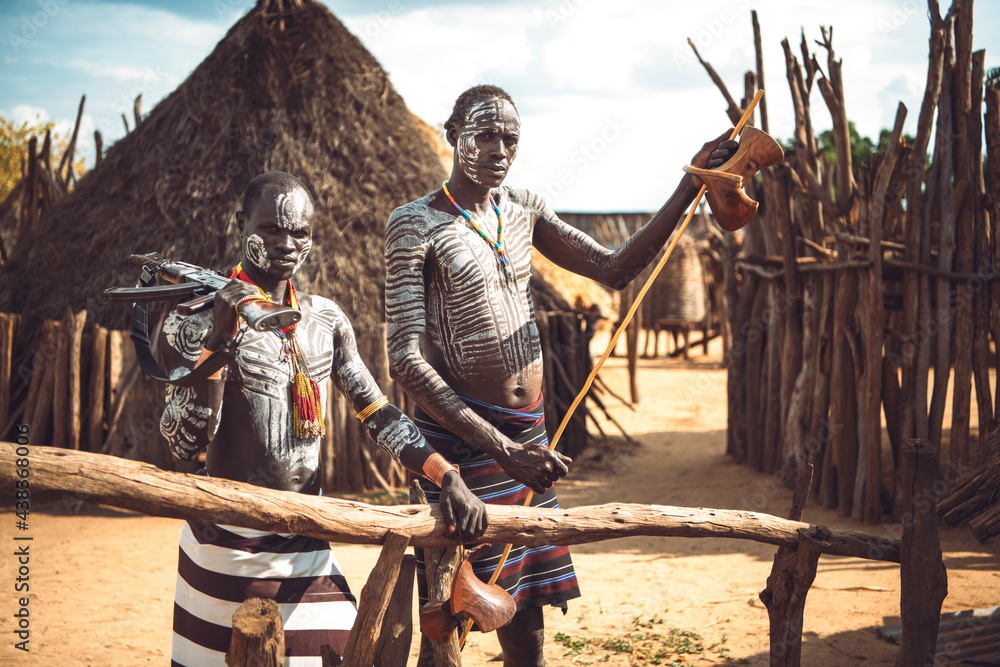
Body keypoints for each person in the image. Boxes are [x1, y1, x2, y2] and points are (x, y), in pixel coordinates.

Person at [385, 85, 738, 666]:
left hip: (528, 440)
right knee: (447, 622)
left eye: (511, 138)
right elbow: (405, 359)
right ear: (453, 135)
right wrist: (499, 448)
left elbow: (615, 268)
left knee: (526, 627)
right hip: (467, 451)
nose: (500, 149)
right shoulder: (415, 224)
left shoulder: (522, 207)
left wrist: (692, 181)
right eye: (486, 135)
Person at [159, 171, 487, 666]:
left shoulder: (325, 319)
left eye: (300, 232)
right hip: (224, 540)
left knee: (335, 652)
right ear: (239, 223)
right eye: (271, 228)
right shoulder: (193, 316)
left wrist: (446, 474)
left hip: (306, 538)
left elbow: (377, 411)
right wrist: (219, 344)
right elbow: (184, 445)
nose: (287, 243)